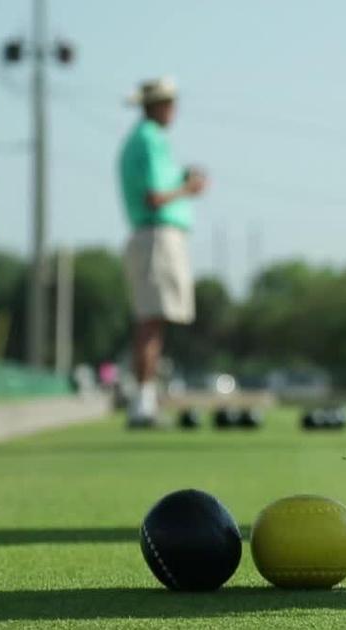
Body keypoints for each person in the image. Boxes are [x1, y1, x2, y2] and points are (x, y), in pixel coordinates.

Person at [118, 78, 207, 428]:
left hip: (152, 235)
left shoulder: (144, 138)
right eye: (168, 102)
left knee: (152, 321)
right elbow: (155, 196)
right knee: (150, 322)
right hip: (156, 235)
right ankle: (142, 403)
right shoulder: (150, 138)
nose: (174, 109)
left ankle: (146, 400)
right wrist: (188, 188)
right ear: (154, 106)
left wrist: (181, 180)